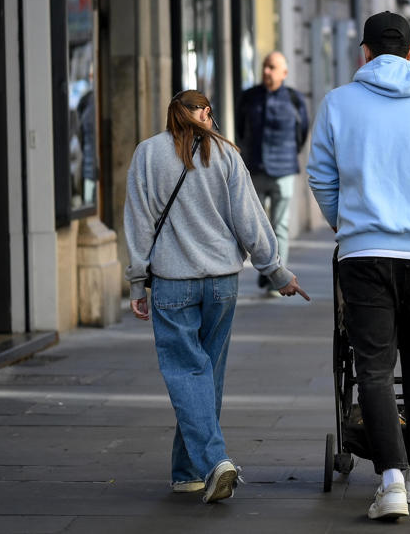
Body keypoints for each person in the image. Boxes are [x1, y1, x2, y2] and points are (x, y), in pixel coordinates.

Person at [308, 11, 410, 521]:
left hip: (364, 256)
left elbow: (321, 177)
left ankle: (390, 481)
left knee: (373, 370)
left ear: (364, 53)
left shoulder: (338, 103)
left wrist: (350, 226)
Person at [124, 90, 309, 503]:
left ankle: (213, 461)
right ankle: (188, 473)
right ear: (205, 114)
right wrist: (275, 270)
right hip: (223, 281)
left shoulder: (148, 154)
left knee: (186, 373)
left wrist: (137, 282)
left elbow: (137, 223)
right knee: (207, 375)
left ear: (172, 113)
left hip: (173, 280)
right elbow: (250, 220)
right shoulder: (226, 154)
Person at [235, 51, 309, 295]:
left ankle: (278, 278)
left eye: (272, 67)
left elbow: (302, 132)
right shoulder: (249, 97)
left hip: (284, 170)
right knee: (255, 225)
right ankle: (267, 272)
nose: (267, 71)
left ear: (284, 73)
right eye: (265, 66)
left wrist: (290, 154)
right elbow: (240, 129)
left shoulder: (295, 99)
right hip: (255, 169)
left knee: (280, 227)